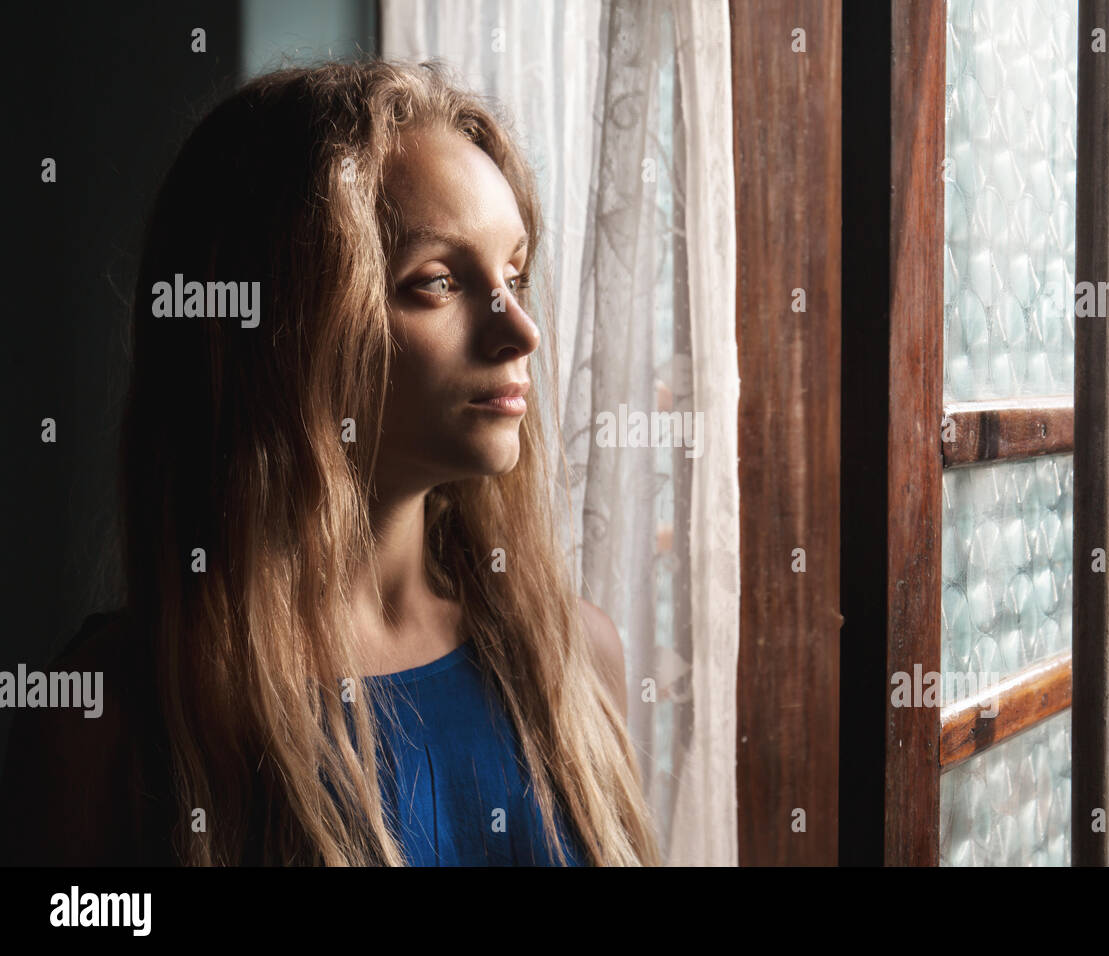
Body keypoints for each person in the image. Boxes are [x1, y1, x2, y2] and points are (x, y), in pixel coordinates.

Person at [0, 60, 660, 867]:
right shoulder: (113, 719)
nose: (520, 330)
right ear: (284, 332)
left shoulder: (573, 662)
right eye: (440, 282)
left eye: (515, 274)